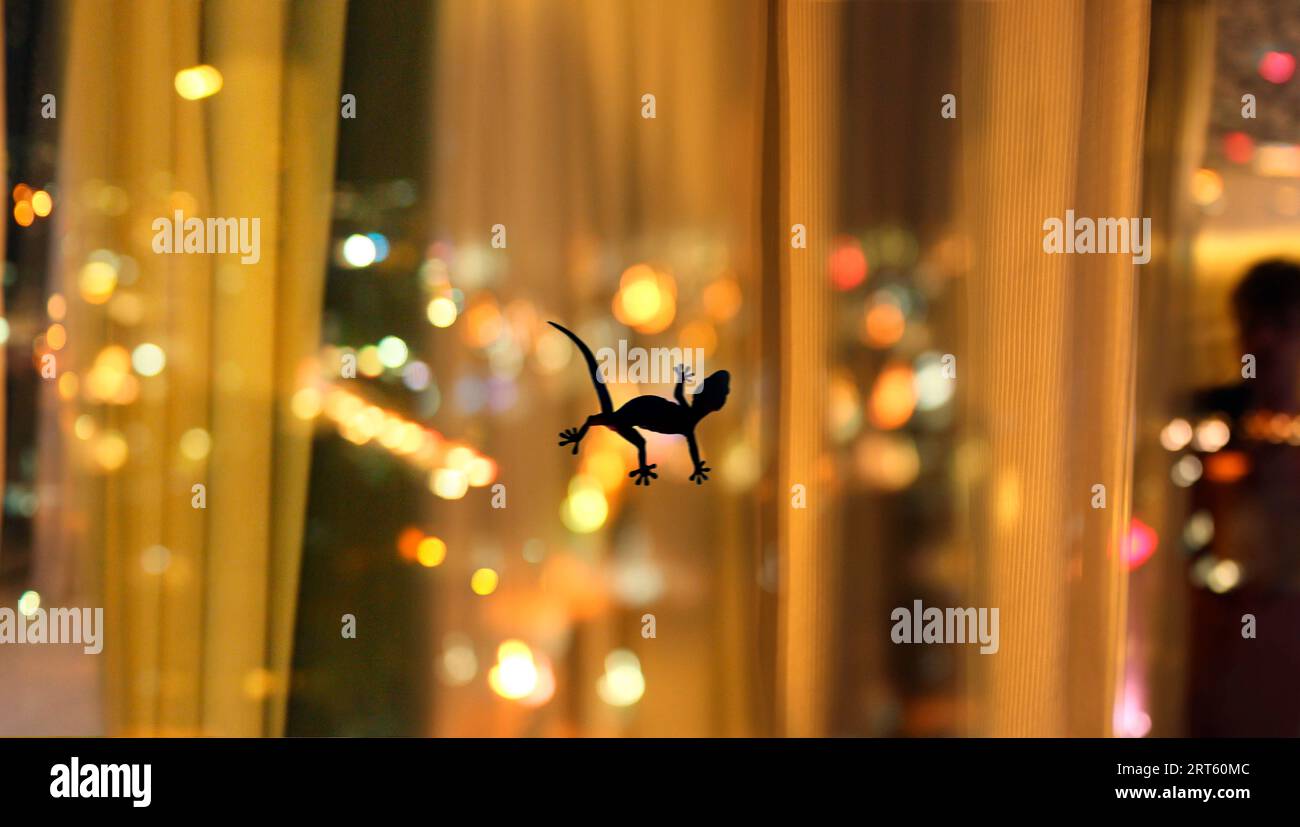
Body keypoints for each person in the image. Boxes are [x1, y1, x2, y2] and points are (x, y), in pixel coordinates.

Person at [1186, 259, 1300, 736]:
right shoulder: (1211, 426)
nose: (1262, 343)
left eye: (1283, 326)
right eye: (1252, 327)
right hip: (1223, 663)